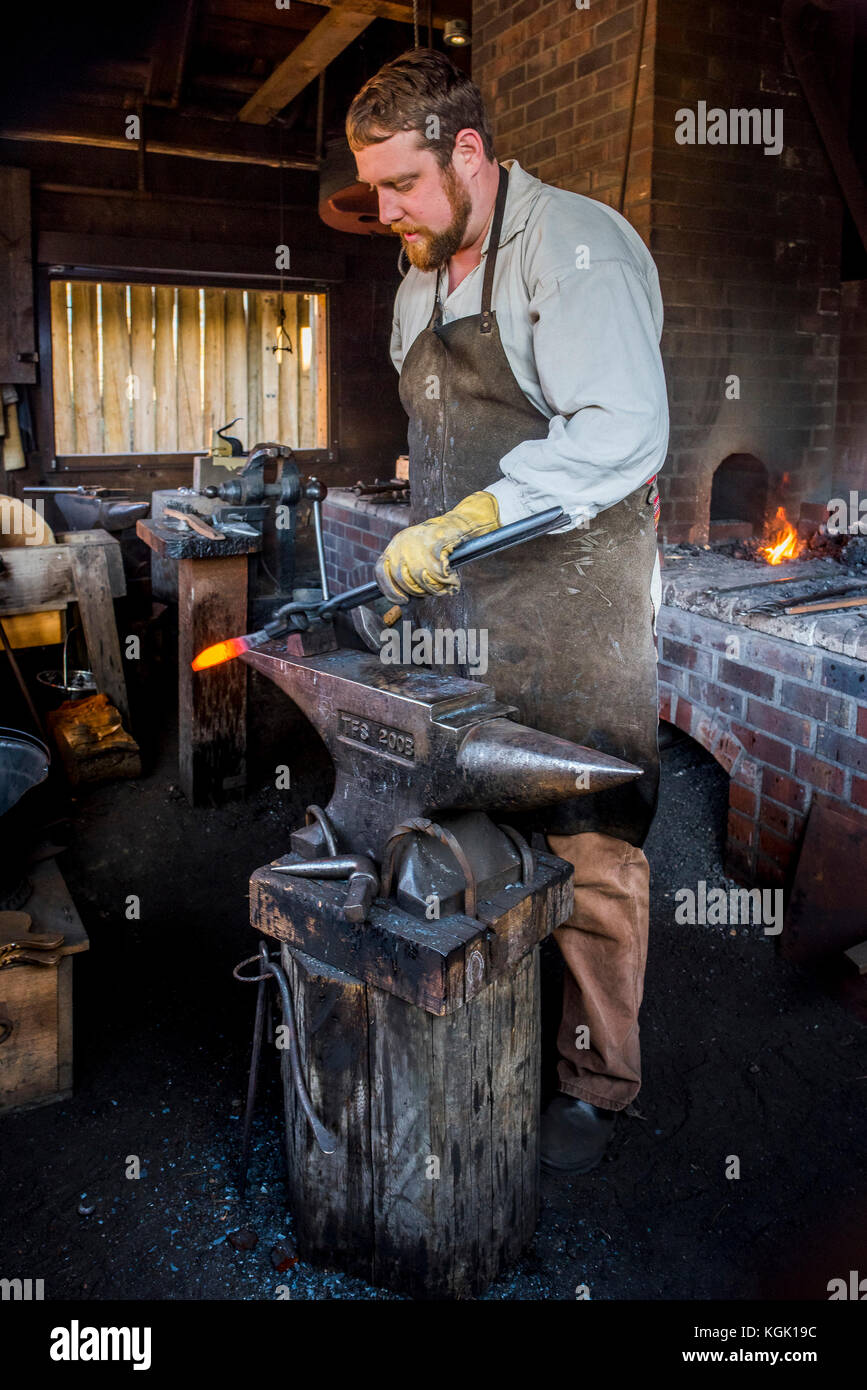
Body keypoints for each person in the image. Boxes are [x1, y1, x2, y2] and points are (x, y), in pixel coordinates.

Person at [346, 49, 669, 1174]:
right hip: (468, 595)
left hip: (580, 602)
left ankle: (597, 1076)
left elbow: (623, 430)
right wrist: (422, 527)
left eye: (400, 186)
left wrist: (471, 510)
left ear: (468, 152)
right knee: (471, 804)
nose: (385, 212)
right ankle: (501, 1024)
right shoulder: (416, 279)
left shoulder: (574, 252)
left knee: (590, 837)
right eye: (376, 190)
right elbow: (435, 433)